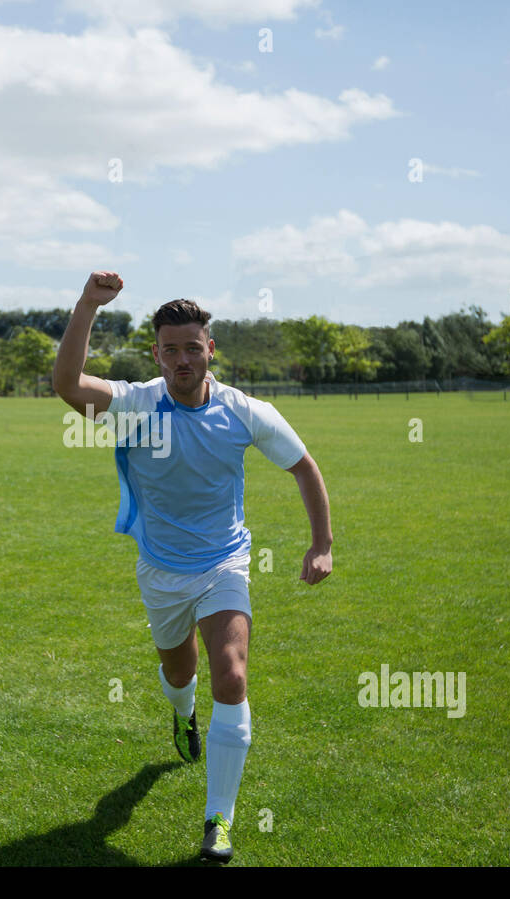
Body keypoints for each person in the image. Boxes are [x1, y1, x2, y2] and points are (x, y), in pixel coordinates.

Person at [53, 270, 333, 863]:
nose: (182, 359)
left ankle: (219, 823)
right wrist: (86, 306)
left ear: (211, 349)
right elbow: (66, 384)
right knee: (181, 676)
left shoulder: (245, 411)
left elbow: (305, 467)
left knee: (231, 674)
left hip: (225, 561)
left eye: (192, 347)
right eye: (170, 349)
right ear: (155, 354)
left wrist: (321, 543)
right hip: (160, 570)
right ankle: (183, 717)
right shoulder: (134, 405)